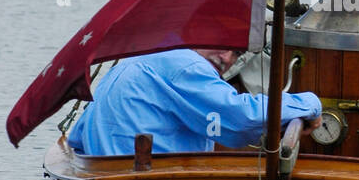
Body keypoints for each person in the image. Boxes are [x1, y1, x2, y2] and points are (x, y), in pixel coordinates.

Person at [69, 47, 321, 157]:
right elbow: (240, 120)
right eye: (222, 45)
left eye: (237, 53)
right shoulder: (186, 66)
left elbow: (76, 140)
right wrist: (309, 103)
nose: (227, 58)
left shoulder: (136, 62)